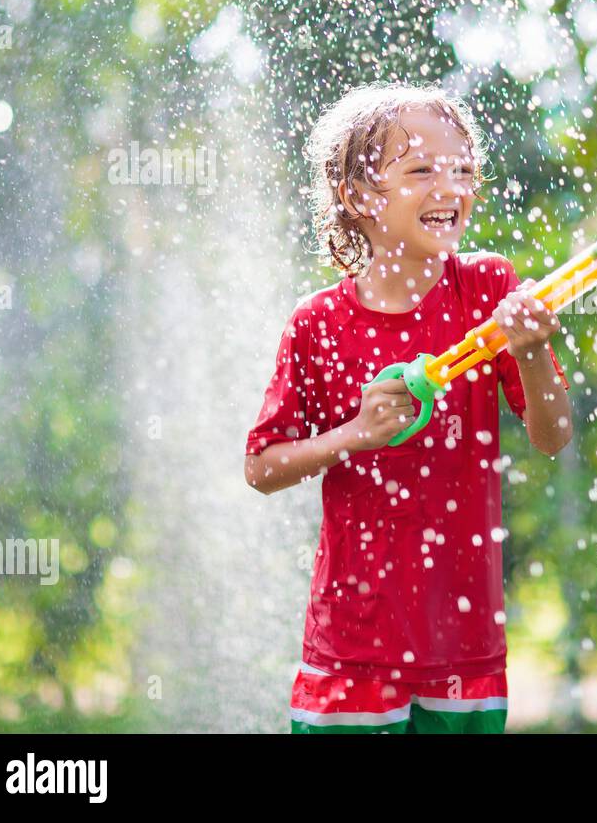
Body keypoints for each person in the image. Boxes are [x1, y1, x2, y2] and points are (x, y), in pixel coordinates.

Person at [244, 82, 572, 733]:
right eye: (421, 170)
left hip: (464, 645)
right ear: (360, 196)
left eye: (464, 171)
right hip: (351, 650)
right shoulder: (318, 325)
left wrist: (533, 352)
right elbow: (263, 466)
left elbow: (552, 435)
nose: (449, 188)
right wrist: (356, 435)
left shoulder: (488, 291)